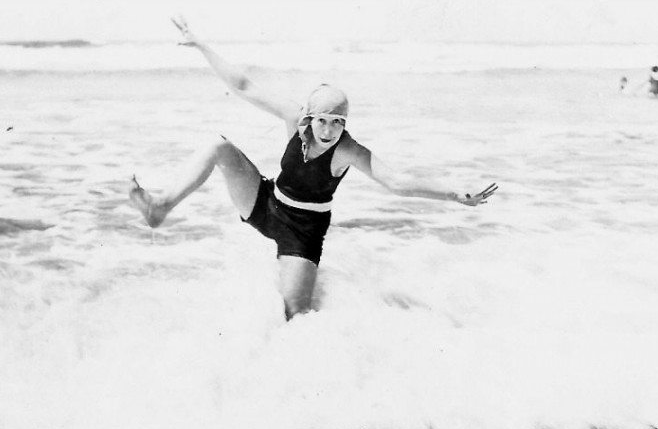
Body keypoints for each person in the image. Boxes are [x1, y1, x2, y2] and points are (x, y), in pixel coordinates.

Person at [129, 17, 497, 319]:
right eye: (324, 120)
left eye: (339, 121)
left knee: (296, 313)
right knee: (219, 147)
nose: (330, 129)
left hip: (303, 232)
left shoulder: (348, 150)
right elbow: (242, 85)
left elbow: (397, 182)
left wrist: (454, 195)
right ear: (309, 116)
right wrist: (202, 45)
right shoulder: (294, 119)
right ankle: (161, 206)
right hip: (266, 203)